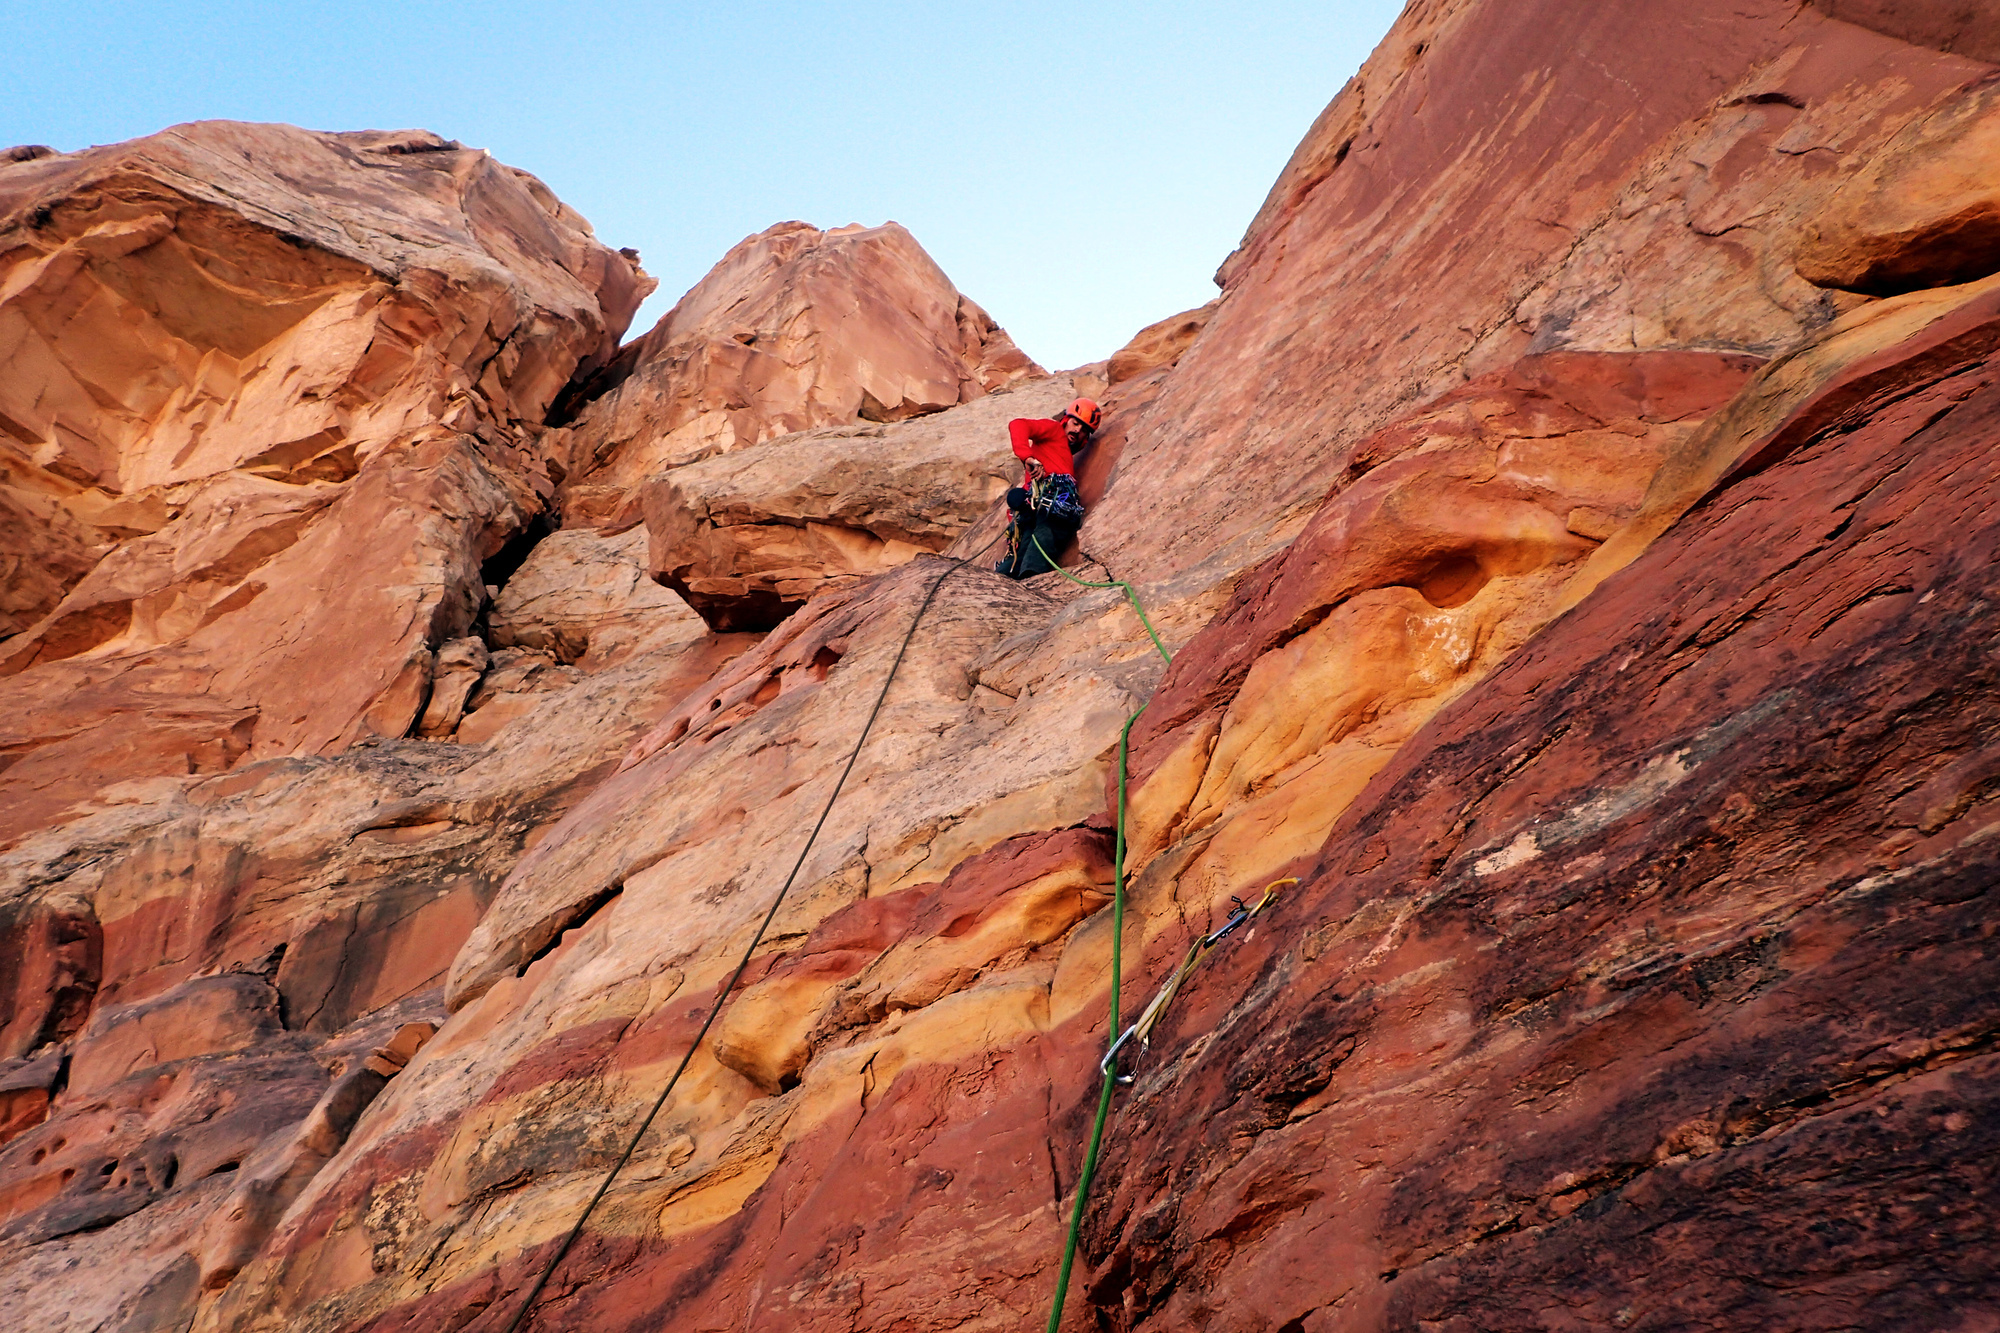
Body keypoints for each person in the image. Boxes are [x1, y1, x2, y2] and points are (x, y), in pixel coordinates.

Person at [997, 397, 1101, 578]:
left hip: (1037, 506)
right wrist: (1027, 457)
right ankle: (1029, 576)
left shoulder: (1065, 453)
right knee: (1046, 530)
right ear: (1066, 420)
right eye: (1075, 423)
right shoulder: (1054, 430)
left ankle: (1005, 577)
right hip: (1046, 502)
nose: (1077, 430)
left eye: (1084, 430)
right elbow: (1018, 424)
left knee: (1028, 540)